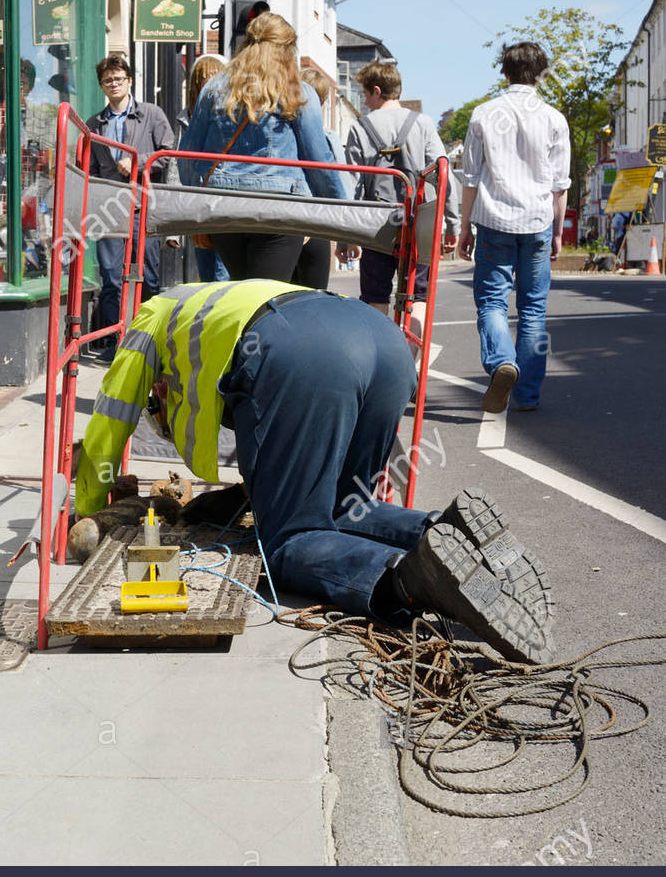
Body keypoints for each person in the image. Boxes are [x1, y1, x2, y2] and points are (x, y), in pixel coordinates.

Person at [74, 281, 555, 664]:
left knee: (288, 539)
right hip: (383, 342)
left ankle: (412, 579)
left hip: (300, 352)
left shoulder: (151, 316)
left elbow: (109, 419)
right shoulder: (221, 299)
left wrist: (90, 506)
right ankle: (447, 533)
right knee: (350, 505)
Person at [179, 13, 348, 281]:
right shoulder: (299, 92)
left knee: (244, 293)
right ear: (286, 50)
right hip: (278, 209)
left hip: (225, 210)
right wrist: (343, 220)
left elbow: (187, 154)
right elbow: (319, 162)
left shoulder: (214, 88)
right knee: (267, 299)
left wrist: (194, 207)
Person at [458, 42, 571, 413]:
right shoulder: (555, 119)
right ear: (541, 73)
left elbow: (471, 178)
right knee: (534, 309)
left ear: (504, 73)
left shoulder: (483, 115)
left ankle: (501, 362)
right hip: (537, 220)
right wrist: (557, 232)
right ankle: (527, 395)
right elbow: (560, 185)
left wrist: (463, 229)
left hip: (494, 221)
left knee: (492, 301)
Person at [341, 60, 459, 348]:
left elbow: (352, 184)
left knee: (375, 296)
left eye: (366, 95)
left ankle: (379, 363)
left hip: (376, 225)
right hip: (417, 224)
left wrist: (347, 236)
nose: (365, 102)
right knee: (418, 296)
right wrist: (452, 223)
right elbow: (444, 175)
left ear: (377, 91)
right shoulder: (423, 123)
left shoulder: (360, 127)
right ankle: (409, 362)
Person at [86, 54, 174, 359]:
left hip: (143, 207)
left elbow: (166, 154)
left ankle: (148, 342)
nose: (114, 84)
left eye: (119, 78)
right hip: (109, 210)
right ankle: (115, 343)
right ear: (102, 85)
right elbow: (88, 168)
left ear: (129, 81)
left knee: (147, 276)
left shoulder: (151, 114)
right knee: (111, 277)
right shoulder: (93, 125)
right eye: (108, 80)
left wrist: (136, 162)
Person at [167, 54, 230, 284]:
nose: (210, 83)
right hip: (199, 207)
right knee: (206, 275)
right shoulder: (185, 119)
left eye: (215, 77)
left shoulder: (234, 114)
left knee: (224, 276)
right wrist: (174, 226)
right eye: (204, 78)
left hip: (227, 202)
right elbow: (176, 168)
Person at [291, 65, 354, 289]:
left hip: (284, 220)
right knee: (312, 297)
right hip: (316, 225)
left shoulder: (283, 132)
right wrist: (347, 236)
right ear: (324, 101)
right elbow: (340, 183)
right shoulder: (328, 138)